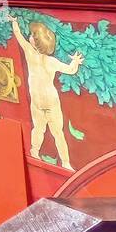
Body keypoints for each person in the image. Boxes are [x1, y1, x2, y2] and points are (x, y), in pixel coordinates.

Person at [12, 18, 84, 170]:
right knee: (54, 132)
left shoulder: (31, 54)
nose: (29, 36)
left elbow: (19, 37)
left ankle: (40, 153)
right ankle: (58, 160)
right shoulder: (49, 60)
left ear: (36, 41)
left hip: (42, 102)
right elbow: (70, 70)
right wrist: (75, 62)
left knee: (45, 130)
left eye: (32, 35)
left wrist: (15, 23)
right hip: (47, 101)